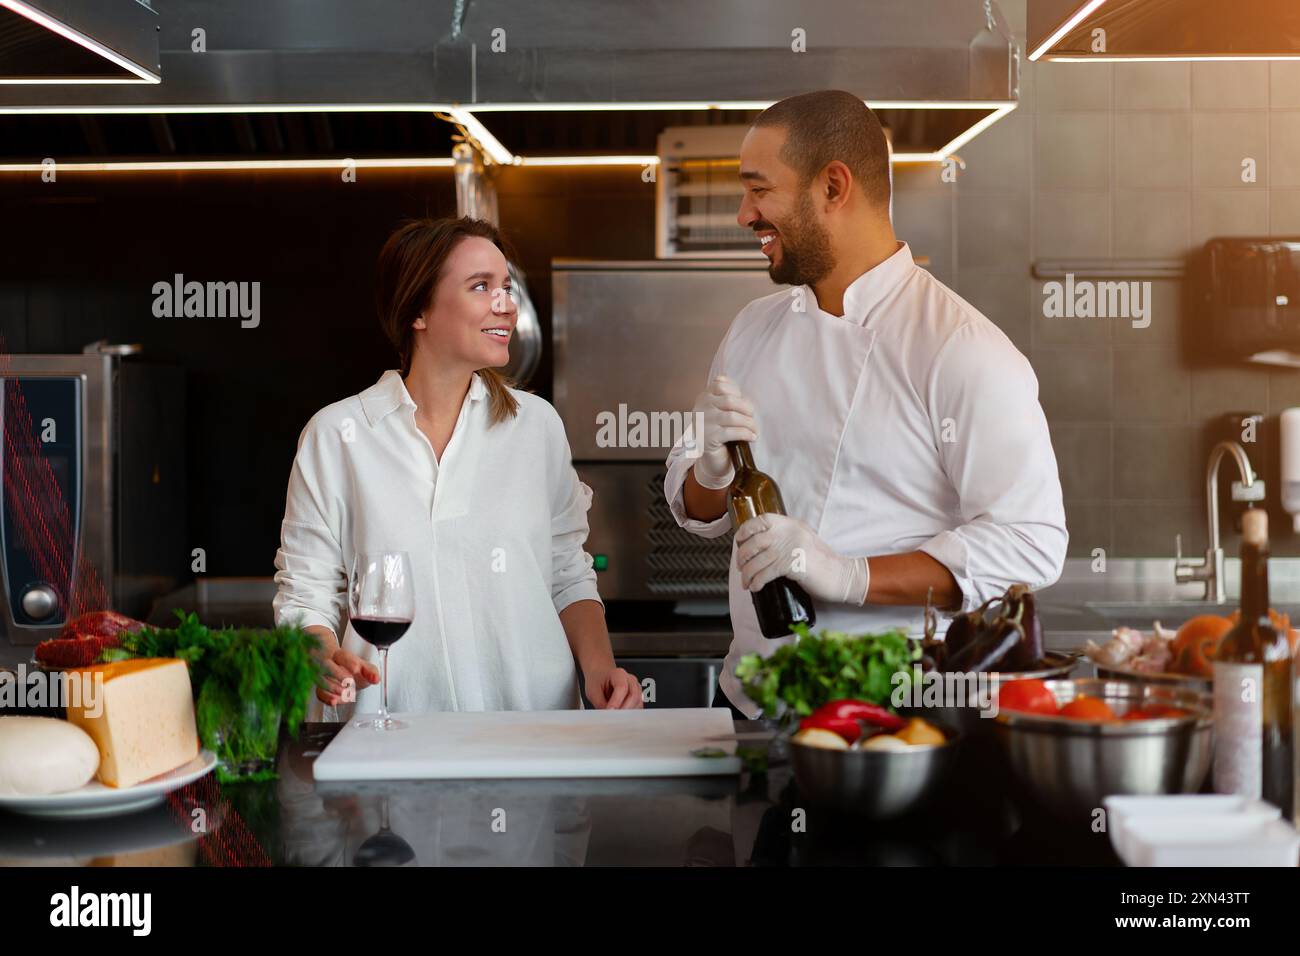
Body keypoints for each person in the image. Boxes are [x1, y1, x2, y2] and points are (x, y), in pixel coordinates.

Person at [664, 90, 1068, 718]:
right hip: (752, 701)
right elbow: (699, 510)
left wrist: (849, 575)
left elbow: (1029, 541)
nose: (744, 215)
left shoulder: (961, 348)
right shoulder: (752, 328)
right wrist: (710, 474)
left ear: (833, 186)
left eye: (759, 190)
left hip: (891, 716)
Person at [274, 216, 641, 717]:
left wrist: (599, 668)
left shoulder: (537, 427)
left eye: (506, 287)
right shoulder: (337, 436)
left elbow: (567, 571)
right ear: (418, 311)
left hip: (534, 732)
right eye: (481, 286)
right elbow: (306, 594)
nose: (505, 304)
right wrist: (320, 656)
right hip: (388, 736)